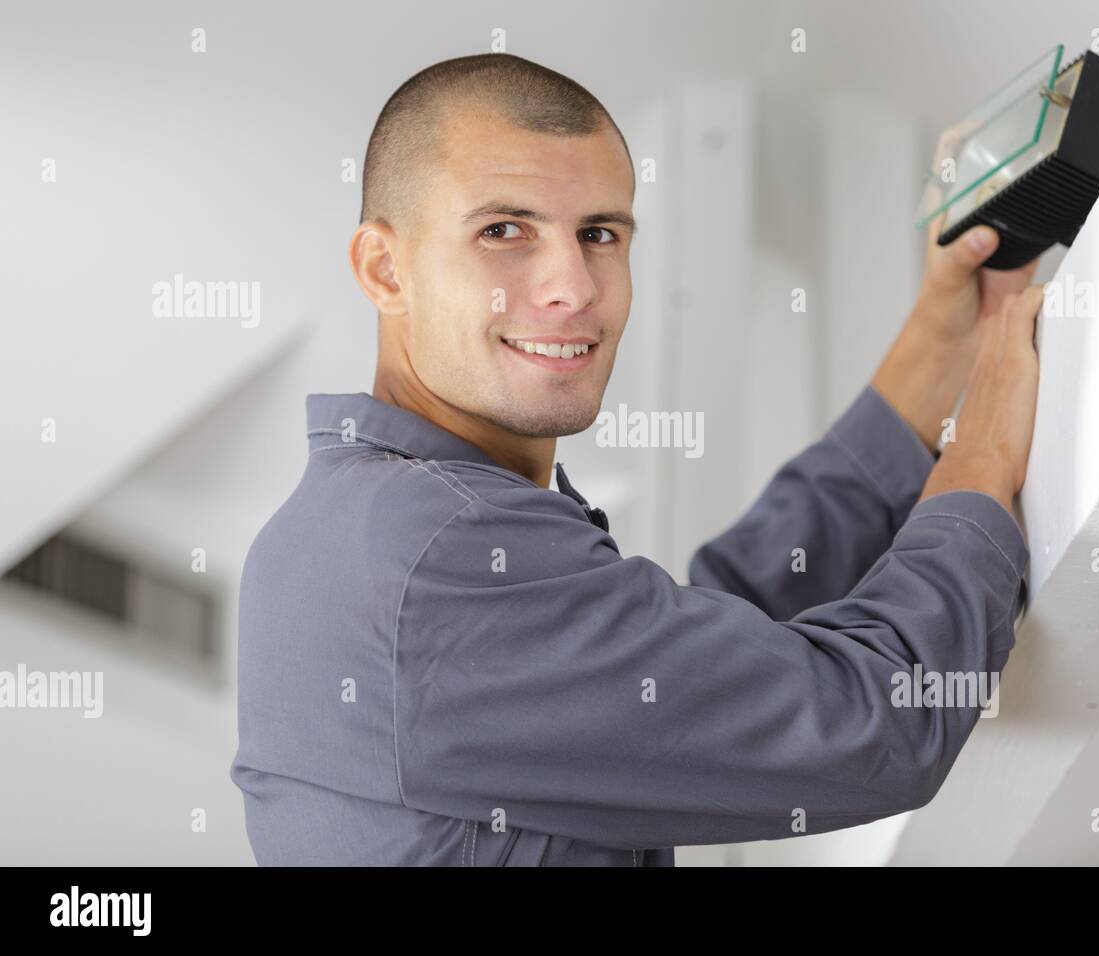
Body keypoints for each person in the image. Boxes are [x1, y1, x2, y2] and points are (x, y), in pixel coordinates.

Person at [230, 53, 1042, 866]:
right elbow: (875, 722)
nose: (573, 286)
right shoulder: (431, 548)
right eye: (503, 231)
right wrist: (983, 454)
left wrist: (943, 339)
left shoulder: (359, 529)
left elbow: (693, 660)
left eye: (599, 234)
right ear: (385, 268)